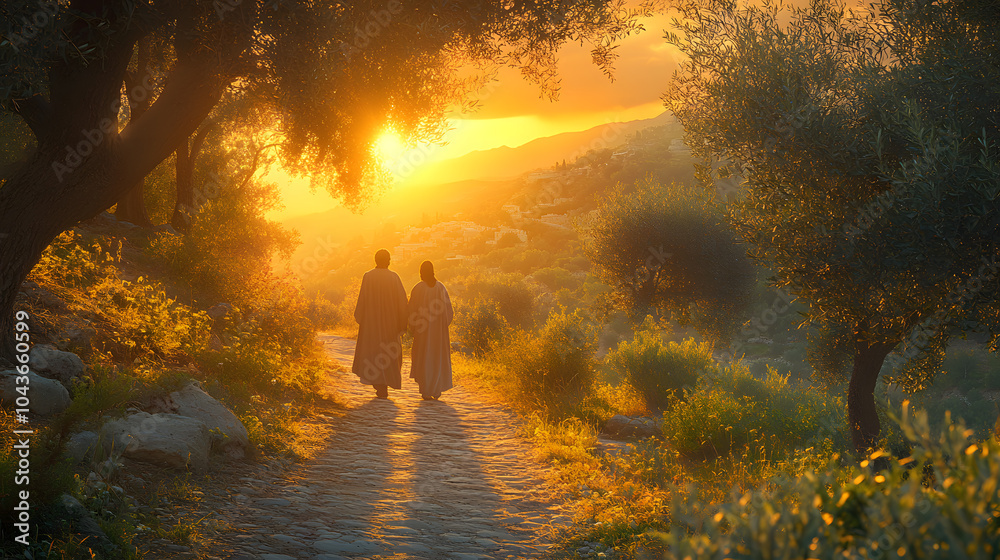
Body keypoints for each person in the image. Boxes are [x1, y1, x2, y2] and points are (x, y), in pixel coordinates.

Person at [352, 249, 409, 399]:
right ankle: (383, 384)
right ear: (388, 261)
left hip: (371, 325)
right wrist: (402, 323)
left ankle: (378, 384)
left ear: (375, 260)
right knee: (389, 354)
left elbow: (362, 300)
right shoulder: (394, 277)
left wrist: (361, 318)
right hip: (391, 325)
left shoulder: (368, 276)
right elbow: (402, 302)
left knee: (373, 353)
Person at [407, 261, 454, 400]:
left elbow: (411, 310)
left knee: (424, 358)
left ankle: (426, 389)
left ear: (421, 272)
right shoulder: (441, 287)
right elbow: (449, 312)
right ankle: (436, 388)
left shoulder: (418, 288)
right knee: (437, 359)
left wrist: (412, 327)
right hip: (439, 334)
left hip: (422, 333)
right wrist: (442, 327)